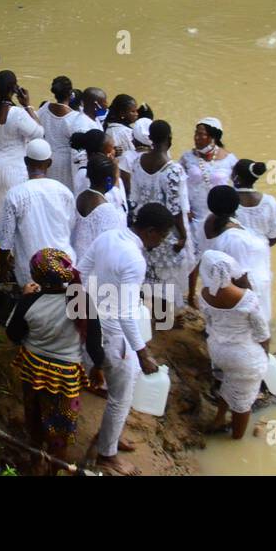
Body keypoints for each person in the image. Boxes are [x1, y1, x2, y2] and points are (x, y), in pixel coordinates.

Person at [85, 202, 174, 476]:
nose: (161, 243)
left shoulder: (108, 236)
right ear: (150, 231)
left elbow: (79, 272)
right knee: (120, 397)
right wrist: (143, 353)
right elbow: (124, 314)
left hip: (91, 323)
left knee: (122, 386)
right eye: (162, 236)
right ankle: (107, 456)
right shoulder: (135, 259)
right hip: (114, 336)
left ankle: (108, 437)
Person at [6, 248, 104, 475]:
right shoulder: (81, 302)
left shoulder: (29, 302)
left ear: (38, 277)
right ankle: (53, 469)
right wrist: (98, 368)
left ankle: (35, 462)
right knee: (60, 429)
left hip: (33, 370)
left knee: (34, 417)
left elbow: (13, 334)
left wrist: (24, 298)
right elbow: (94, 343)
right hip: (64, 377)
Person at [198, 249, 270, 439]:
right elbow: (262, 333)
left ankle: (219, 418)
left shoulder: (204, 294)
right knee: (243, 404)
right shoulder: (247, 297)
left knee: (226, 381)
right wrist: (266, 355)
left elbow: (210, 324)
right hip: (244, 356)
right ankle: (237, 439)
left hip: (217, 351)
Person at [129, 120, 192, 315]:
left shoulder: (137, 162)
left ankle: (150, 315)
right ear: (170, 139)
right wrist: (183, 236)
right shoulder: (173, 170)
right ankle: (165, 319)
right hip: (165, 233)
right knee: (167, 279)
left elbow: (134, 199)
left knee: (148, 275)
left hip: (144, 229)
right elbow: (175, 209)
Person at [0, 139, 77, 284]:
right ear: (50, 163)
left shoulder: (15, 195)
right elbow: (70, 228)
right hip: (64, 267)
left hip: (33, 274)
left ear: (26, 161)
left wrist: (2, 271)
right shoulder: (64, 192)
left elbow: (5, 242)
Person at [0, 70, 47, 232]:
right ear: (13, 90)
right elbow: (39, 133)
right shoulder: (17, 114)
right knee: (16, 213)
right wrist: (27, 105)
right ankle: (12, 249)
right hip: (13, 169)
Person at [180, 117, 237, 304]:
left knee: (217, 259)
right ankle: (191, 294)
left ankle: (216, 295)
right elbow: (177, 184)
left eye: (201, 134)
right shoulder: (187, 158)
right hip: (194, 216)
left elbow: (235, 190)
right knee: (193, 258)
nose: (196, 137)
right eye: (196, 133)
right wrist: (184, 208)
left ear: (212, 136)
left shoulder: (229, 159)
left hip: (217, 218)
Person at [206, 185, 274, 324]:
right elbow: (241, 278)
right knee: (257, 331)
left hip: (253, 287)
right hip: (252, 291)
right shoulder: (234, 238)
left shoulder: (217, 226)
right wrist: (253, 308)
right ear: (237, 205)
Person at [70, 153, 127, 273]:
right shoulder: (106, 209)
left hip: (80, 260)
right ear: (109, 180)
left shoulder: (81, 197)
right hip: (96, 268)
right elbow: (111, 247)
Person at [233, 159, 276, 246]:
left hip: (233, 253)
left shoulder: (229, 199)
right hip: (261, 255)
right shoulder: (269, 202)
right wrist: (260, 248)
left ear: (236, 177)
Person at [40, 76, 79, 191]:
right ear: (71, 94)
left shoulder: (44, 108)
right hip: (65, 163)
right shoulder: (75, 117)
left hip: (45, 158)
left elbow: (35, 124)